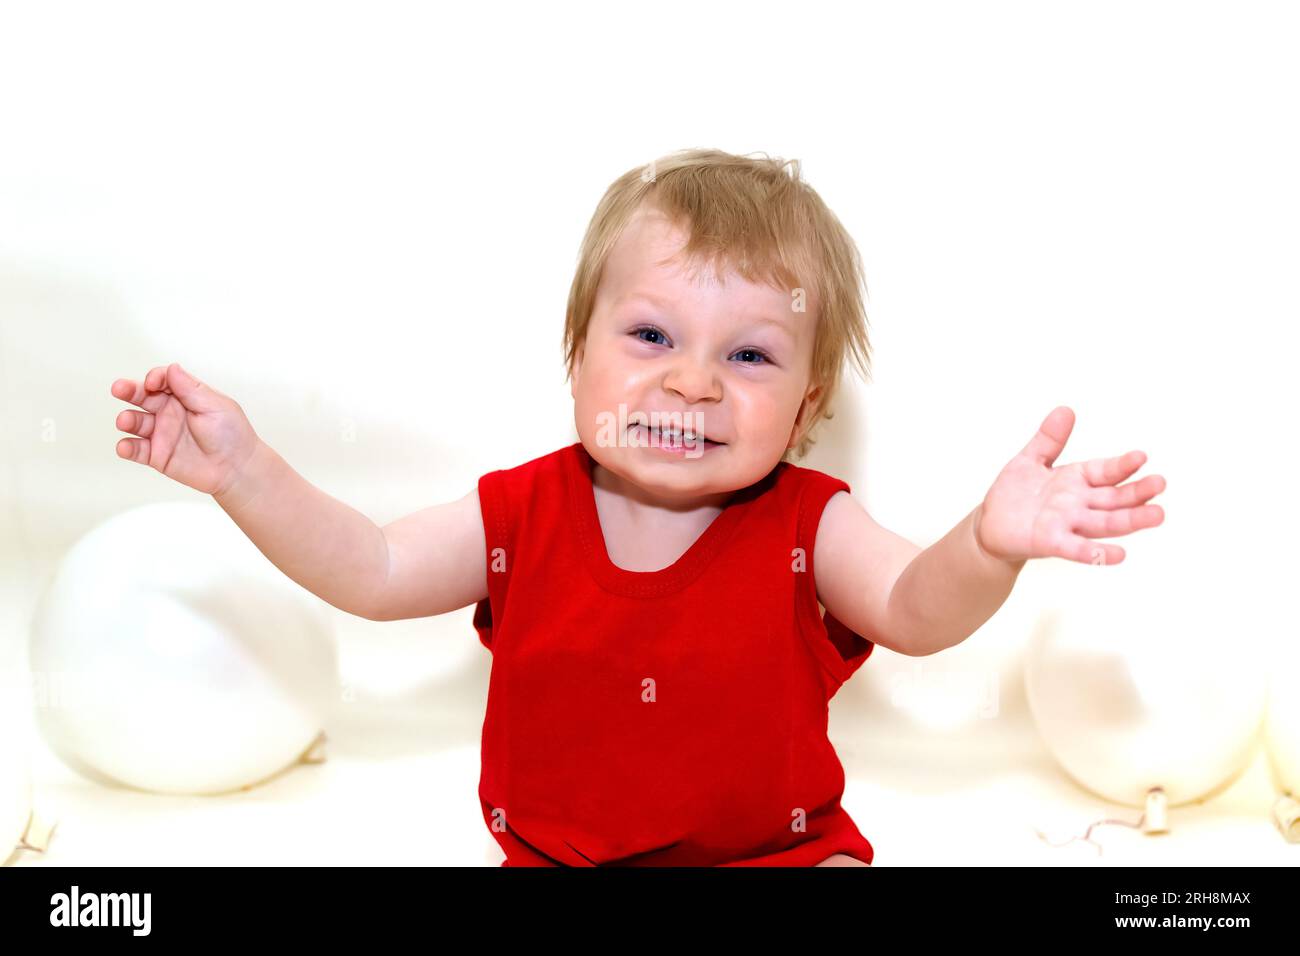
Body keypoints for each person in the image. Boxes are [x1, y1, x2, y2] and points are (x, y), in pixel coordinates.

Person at [109, 148, 1166, 866]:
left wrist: (986, 543)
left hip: (777, 854)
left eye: (748, 354)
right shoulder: (522, 514)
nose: (691, 383)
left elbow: (912, 605)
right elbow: (374, 570)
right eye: (651, 336)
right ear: (578, 354)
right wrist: (244, 470)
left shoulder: (810, 526)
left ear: (805, 408)